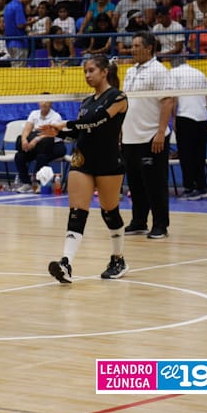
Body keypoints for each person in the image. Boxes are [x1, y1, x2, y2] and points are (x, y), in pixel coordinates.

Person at [43, 56, 129, 284]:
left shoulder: (118, 97)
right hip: (83, 160)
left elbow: (97, 120)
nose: (87, 75)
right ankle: (66, 263)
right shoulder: (86, 101)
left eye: (91, 70)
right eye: (85, 71)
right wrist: (58, 134)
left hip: (109, 161)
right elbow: (80, 132)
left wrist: (66, 124)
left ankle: (118, 258)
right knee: (77, 211)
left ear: (104, 72)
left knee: (109, 212)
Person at [121, 31, 175, 240]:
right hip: (130, 137)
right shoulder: (130, 71)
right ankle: (139, 221)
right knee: (135, 183)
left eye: (136, 46)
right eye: (131, 46)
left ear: (149, 47)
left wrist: (161, 132)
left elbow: (168, 101)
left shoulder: (159, 70)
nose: (132, 49)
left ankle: (160, 224)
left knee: (155, 183)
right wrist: (121, 133)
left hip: (151, 136)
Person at [172, 62, 207, 200]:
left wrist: (174, 118)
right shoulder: (200, 73)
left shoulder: (173, 73)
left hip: (185, 117)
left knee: (186, 156)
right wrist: (202, 111)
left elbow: (173, 99)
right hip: (202, 119)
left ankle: (190, 189)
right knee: (199, 156)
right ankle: (203, 188)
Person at [13, 96, 66, 193]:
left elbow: (50, 132)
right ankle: (26, 183)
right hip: (39, 146)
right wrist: (24, 139)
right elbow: (27, 128)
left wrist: (35, 140)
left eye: (47, 101)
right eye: (42, 100)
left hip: (55, 145)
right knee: (19, 156)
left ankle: (39, 183)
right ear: (38, 102)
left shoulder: (56, 116)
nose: (44, 103)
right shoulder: (34, 114)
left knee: (41, 157)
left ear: (51, 103)